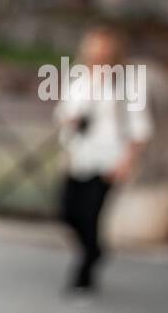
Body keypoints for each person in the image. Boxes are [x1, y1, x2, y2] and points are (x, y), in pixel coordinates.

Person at [53, 27, 153, 295]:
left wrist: (126, 163)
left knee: (90, 216)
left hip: (110, 160)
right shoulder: (80, 78)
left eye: (102, 47)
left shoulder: (126, 83)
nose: (96, 53)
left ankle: (83, 275)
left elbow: (139, 128)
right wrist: (70, 121)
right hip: (78, 156)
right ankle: (95, 250)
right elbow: (63, 113)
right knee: (67, 213)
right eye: (92, 47)